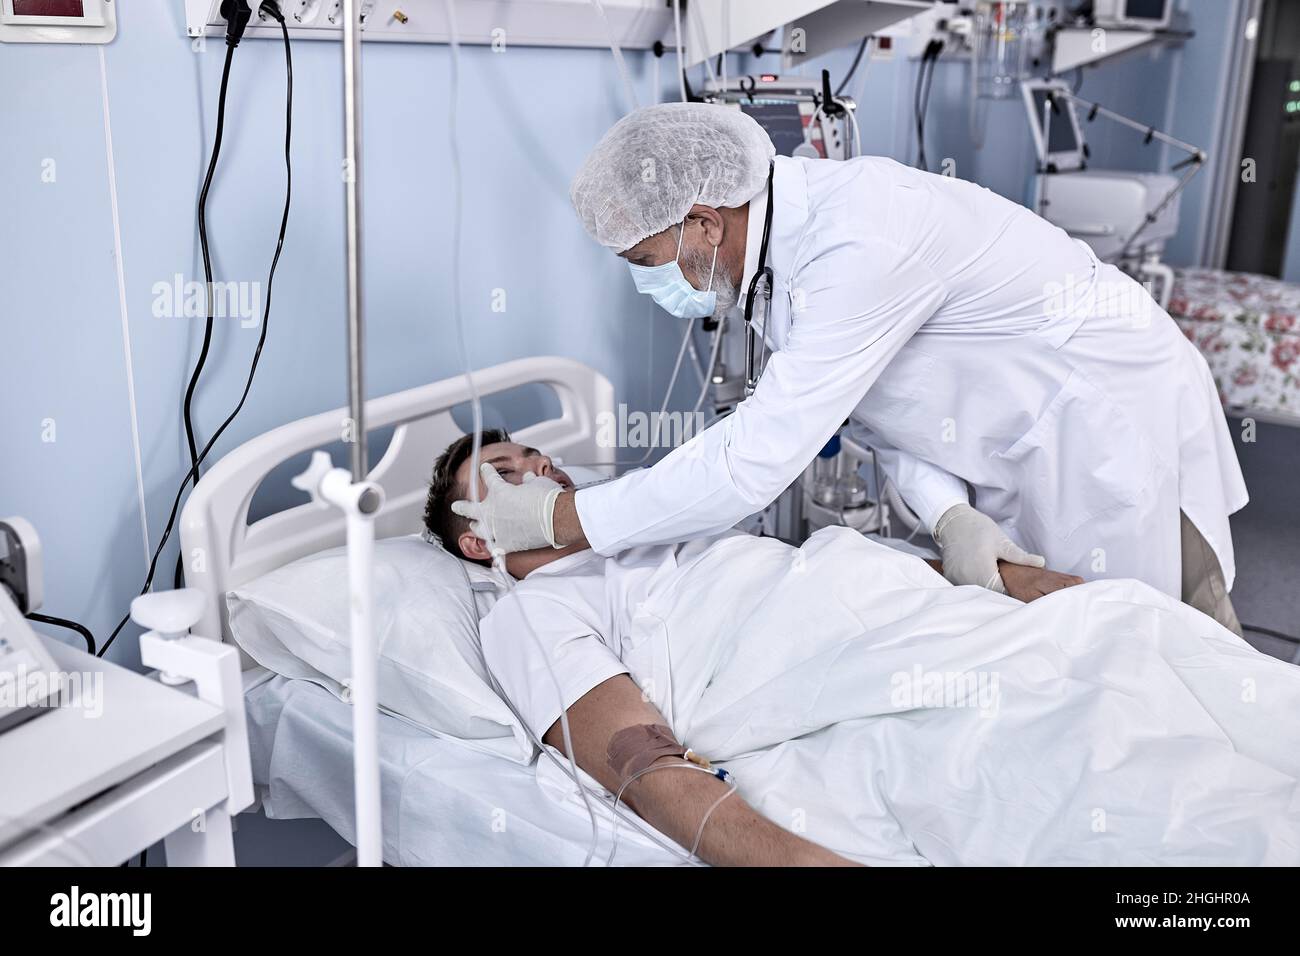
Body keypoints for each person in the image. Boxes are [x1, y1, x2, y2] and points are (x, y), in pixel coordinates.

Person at [453, 103, 1248, 633]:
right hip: (1022, 437)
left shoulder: (858, 240)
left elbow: (748, 466)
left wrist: (559, 519)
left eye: (645, 260)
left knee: (1172, 638)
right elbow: (894, 407)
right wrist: (948, 514)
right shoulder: (773, 269)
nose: (646, 281)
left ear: (702, 222)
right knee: (1085, 637)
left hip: (1111, 422)